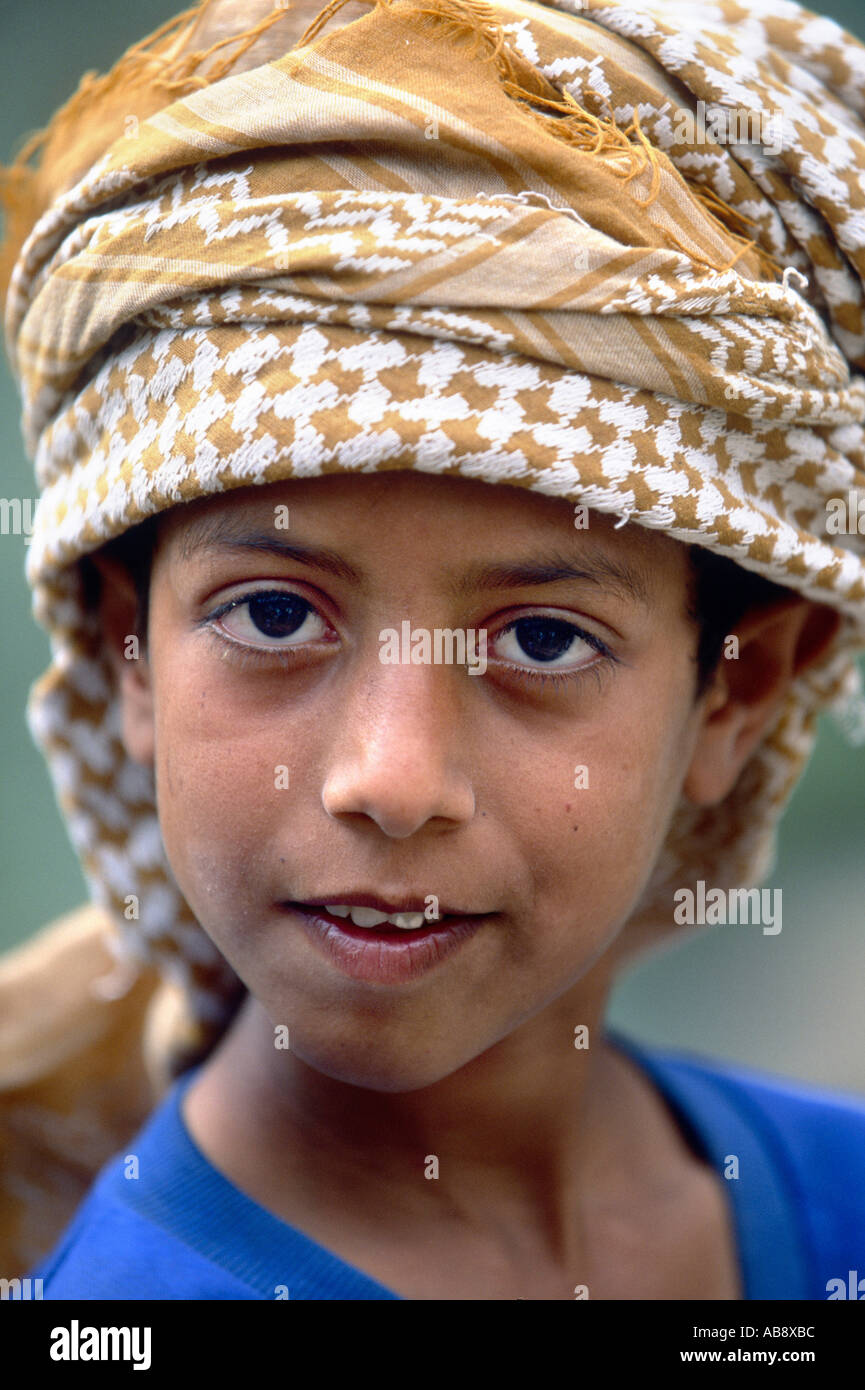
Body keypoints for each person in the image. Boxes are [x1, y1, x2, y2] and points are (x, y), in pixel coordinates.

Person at [2, 0, 865, 1300]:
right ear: (126, 648)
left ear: (736, 686)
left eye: (539, 637)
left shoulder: (834, 1198)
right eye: (275, 616)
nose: (392, 779)